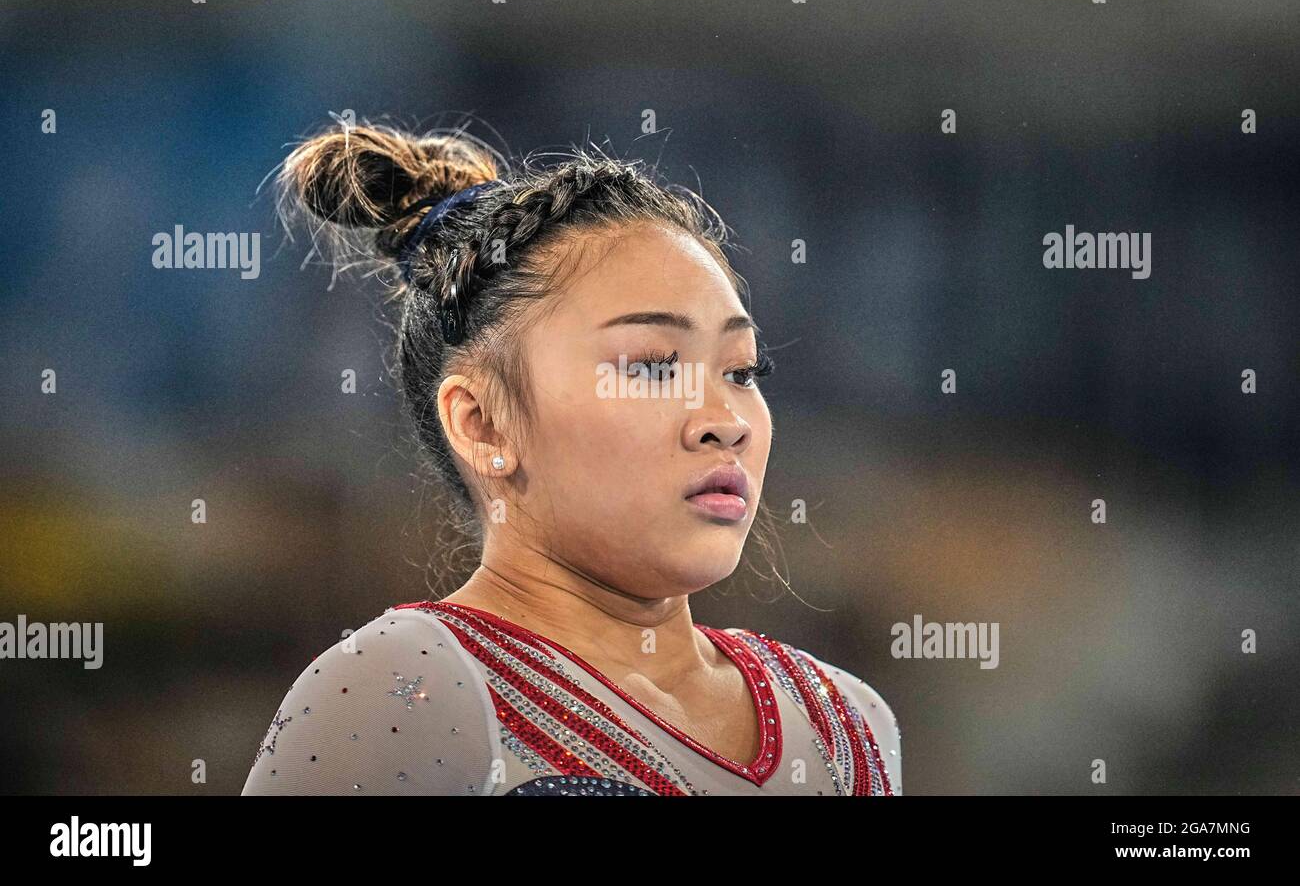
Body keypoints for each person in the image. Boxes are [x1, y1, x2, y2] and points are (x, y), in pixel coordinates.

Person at [241, 121, 899, 796]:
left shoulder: (847, 721)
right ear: (484, 423)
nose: (725, 423)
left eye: (741, 371)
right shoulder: (401, 689)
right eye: (650, 365)